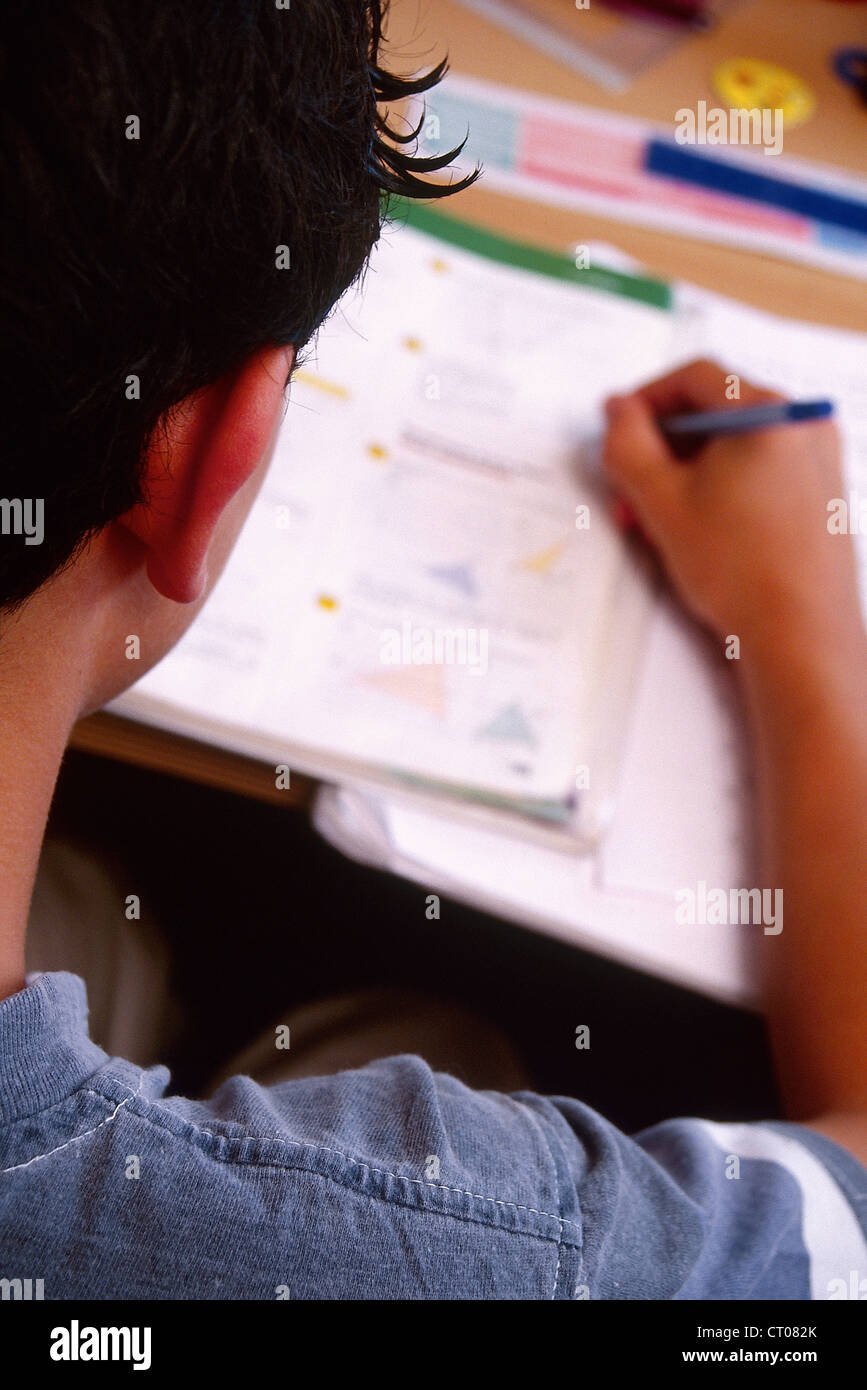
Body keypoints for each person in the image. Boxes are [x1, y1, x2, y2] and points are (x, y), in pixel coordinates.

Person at [1, 0, 865, 1301]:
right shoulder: (482, 1245)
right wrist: (801, 614)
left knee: (111, 927)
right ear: (198, 467)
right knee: (437, 1042)